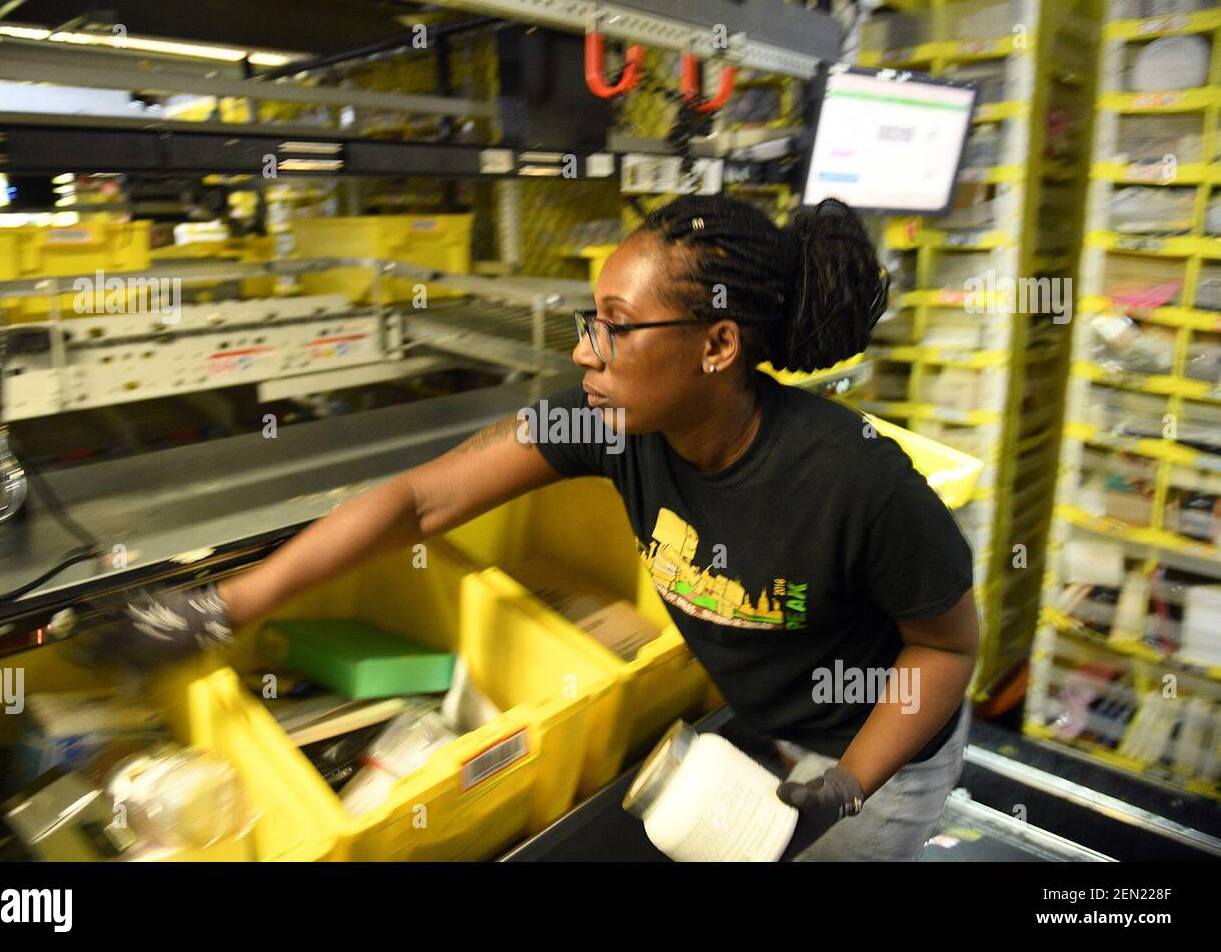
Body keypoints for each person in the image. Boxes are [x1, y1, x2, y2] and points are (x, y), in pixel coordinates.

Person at [98, 194, 979, 862]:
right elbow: (419, 502)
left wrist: (845, 789)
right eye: (592, 321)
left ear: (718, 346)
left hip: (881, 761)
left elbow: (943, 651)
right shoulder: (606, 425)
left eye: (620, 328)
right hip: (758, 730)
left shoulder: (853, 481)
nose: (584, 353)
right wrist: (221, 605)